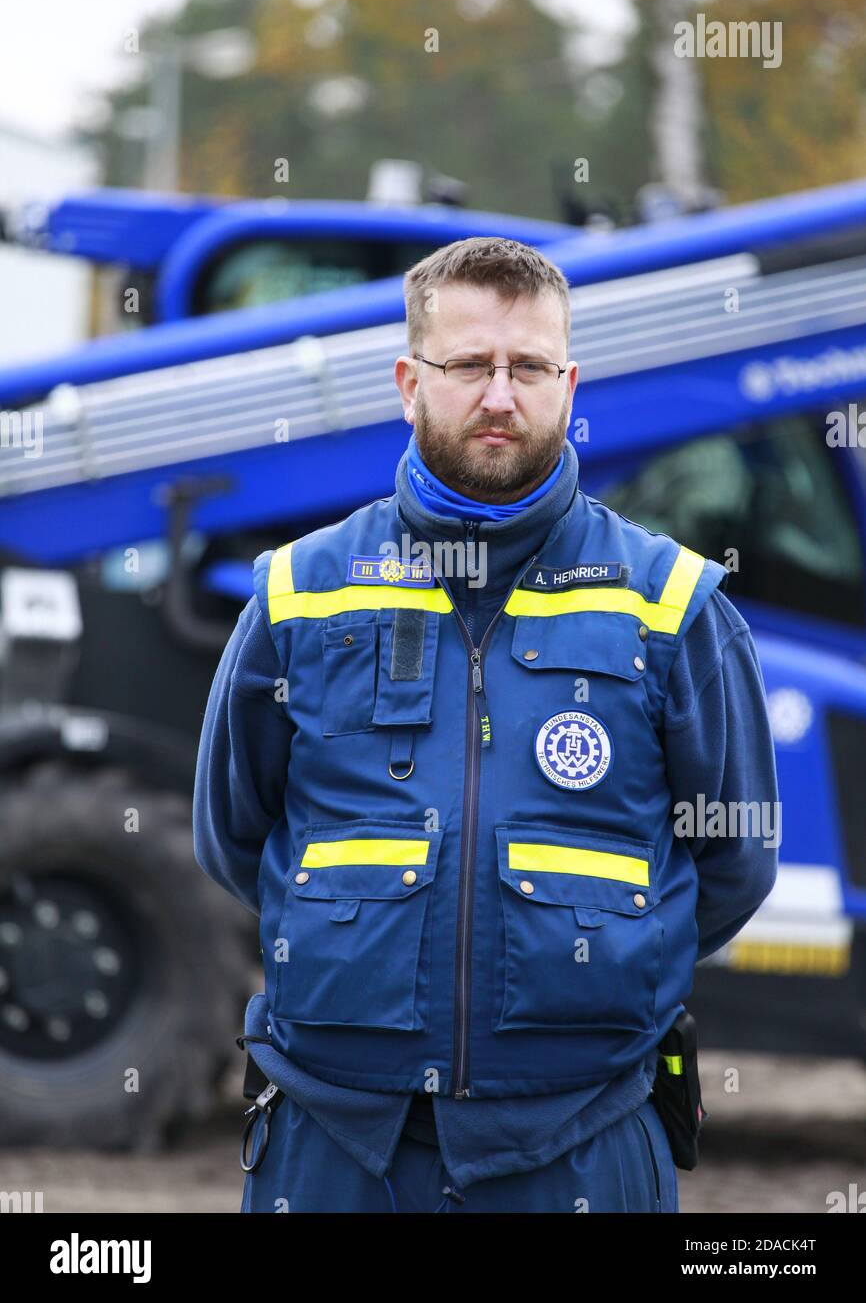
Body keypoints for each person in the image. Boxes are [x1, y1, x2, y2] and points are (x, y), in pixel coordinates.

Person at [193, 235, 779, 1213]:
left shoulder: (670, 603)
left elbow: (734, 861)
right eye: (468, 364)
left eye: (529, 367)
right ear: (407, 381)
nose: (499, 396)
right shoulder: (301, 594)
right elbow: (231, 835)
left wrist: (594, 968)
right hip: (337, 1145)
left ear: (569, 380)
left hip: (580, 1143)